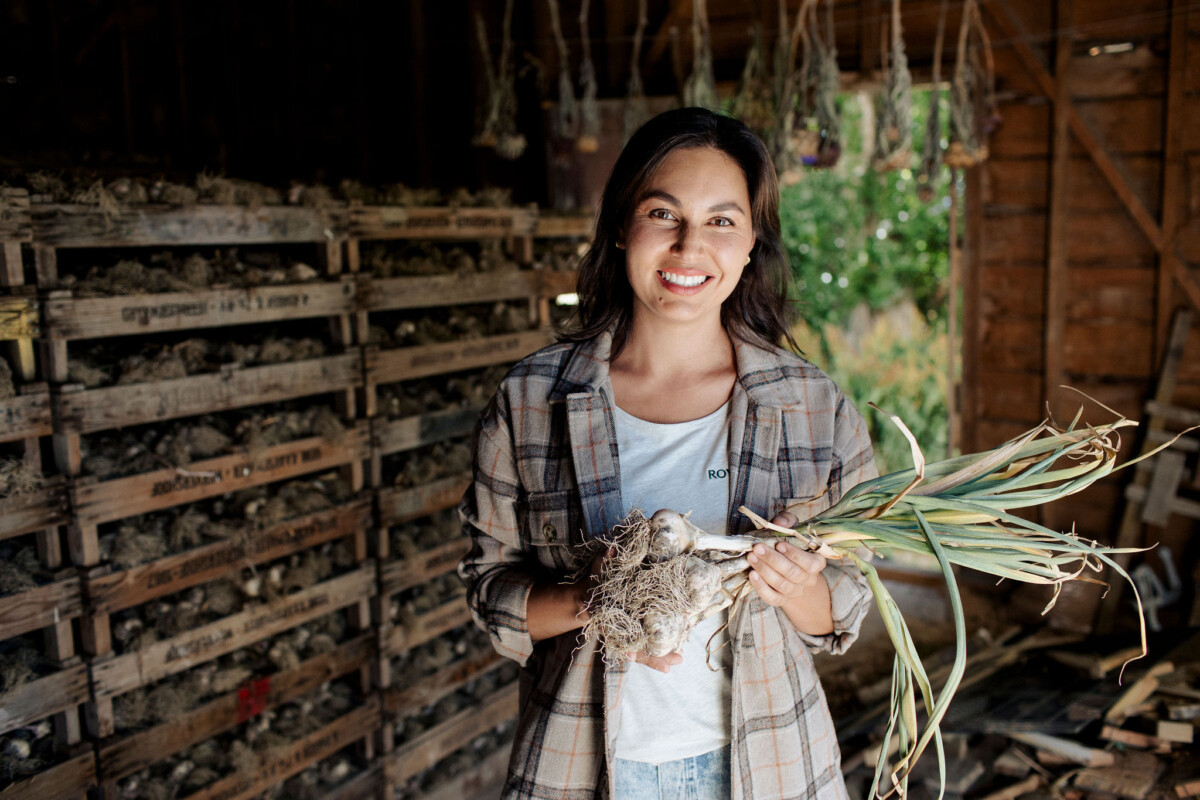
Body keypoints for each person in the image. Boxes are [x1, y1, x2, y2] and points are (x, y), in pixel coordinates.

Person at [458, 107, 876, 800]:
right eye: (663, 214)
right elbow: (491, 593)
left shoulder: (813, 407)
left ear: (750, 246)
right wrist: (597, 598)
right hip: (583, 765)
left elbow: (852, 603)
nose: (689, 247)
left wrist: (802, 590)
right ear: (623, 226)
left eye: (721, 221)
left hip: (771, 763)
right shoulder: (533, 400)